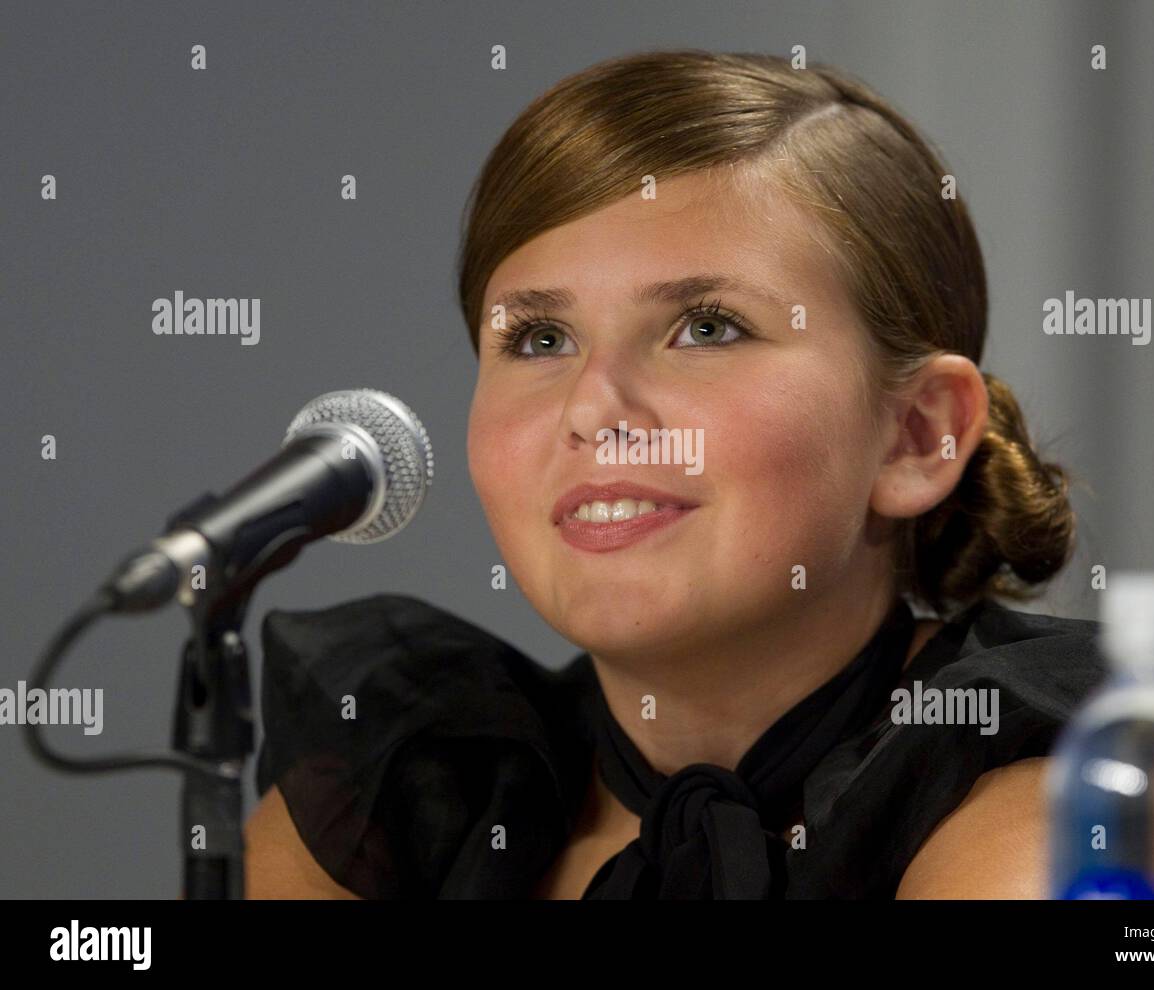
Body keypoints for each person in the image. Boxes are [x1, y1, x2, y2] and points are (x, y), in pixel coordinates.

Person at [244, 49, 1105, 899]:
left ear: (917, 435)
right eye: (541, 340)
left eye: (707, 327)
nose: (592, 410)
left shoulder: (1063, 815)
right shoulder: (393, 803)